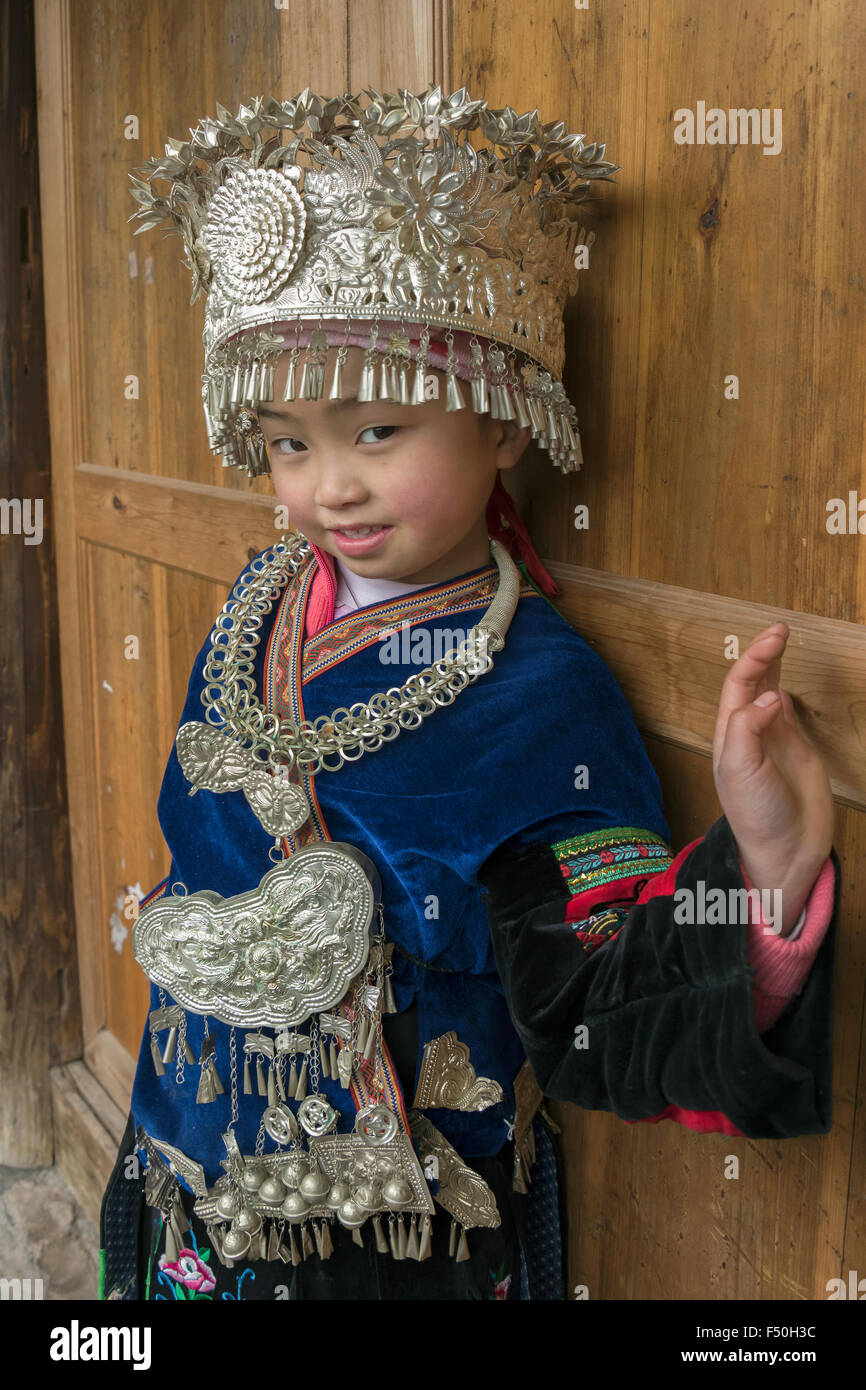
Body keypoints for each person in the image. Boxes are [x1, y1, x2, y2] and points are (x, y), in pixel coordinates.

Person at [99, 88, 838, 1302]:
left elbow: (599, 998)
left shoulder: (539, 695)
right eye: (288, 442)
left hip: (389, 1228)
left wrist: (762, 871)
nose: (330, 486)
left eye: (377, 426)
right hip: (188, 1136)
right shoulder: (257, 607)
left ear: (502, 416)